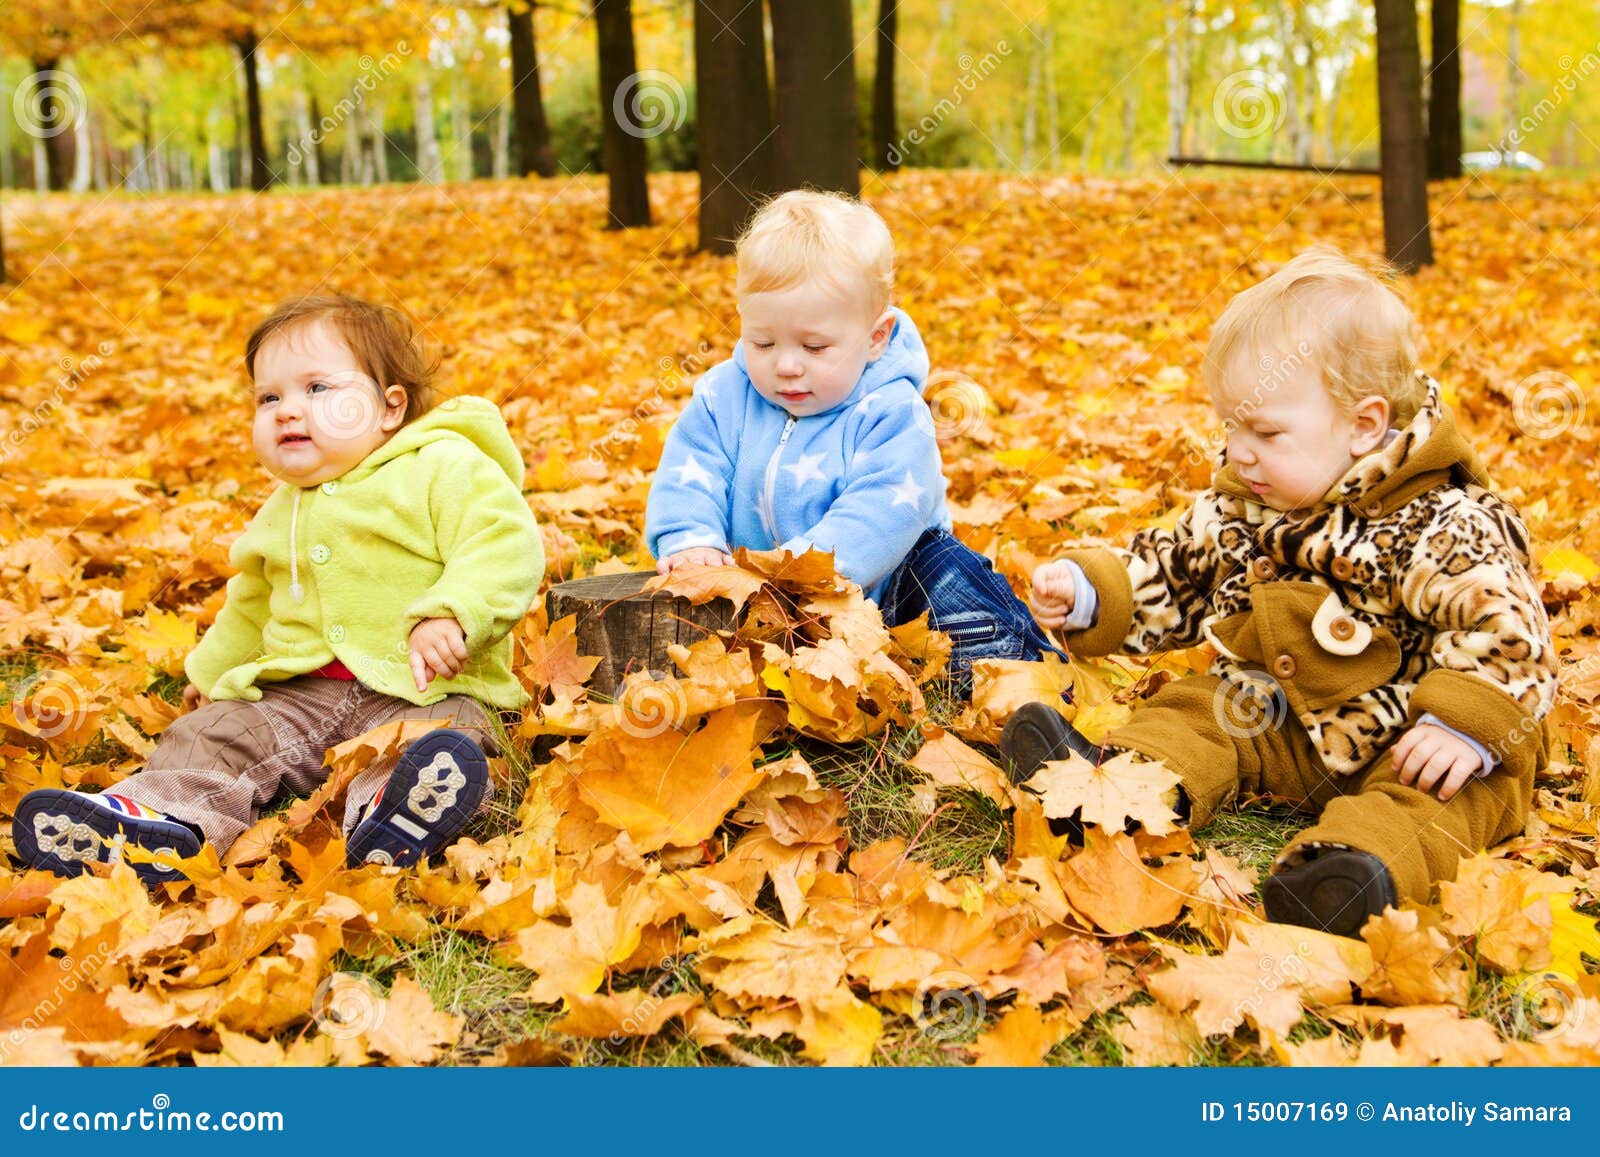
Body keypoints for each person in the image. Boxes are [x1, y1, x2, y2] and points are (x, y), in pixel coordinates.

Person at [1002, 248, 1558, 937]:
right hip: (1284, 714)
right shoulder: (1249, 503)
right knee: (1201, 707)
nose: (1240, 451)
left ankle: (1353, 873)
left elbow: (1510, 627)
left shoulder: (1441, 519)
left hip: (1418, 733)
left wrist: (1466, 728)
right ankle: (1111, 786)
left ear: (1362, 425)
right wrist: (1093, 592)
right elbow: (1178, 568)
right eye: (1231, 426)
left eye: (1264, 432)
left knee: (1445, 800)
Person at [12, 295, 544, 883]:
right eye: (270, 398)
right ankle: (158, 820)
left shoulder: (441, 466)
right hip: (300, 696)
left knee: (451, 735)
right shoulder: (282, 509)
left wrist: (455, 612)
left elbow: (501, 543)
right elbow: (252, 601)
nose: (289, 411)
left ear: (389, 408)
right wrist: (211, 674)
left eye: (317, 389)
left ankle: (392, 809)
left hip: (426, 686)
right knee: (214, 733)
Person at [645, 189, 1059, 689]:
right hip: (761, 602)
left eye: (815, 345)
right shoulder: (723, 397)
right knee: (692, 610)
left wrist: (793, 574)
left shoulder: (891, 410)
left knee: (954, 584)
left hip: (894, 588)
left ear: (876, 337)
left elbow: (881, 510)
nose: (786, 364)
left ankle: (1020, 681)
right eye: (762, 341)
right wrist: (691, 539)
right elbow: (692, 469)